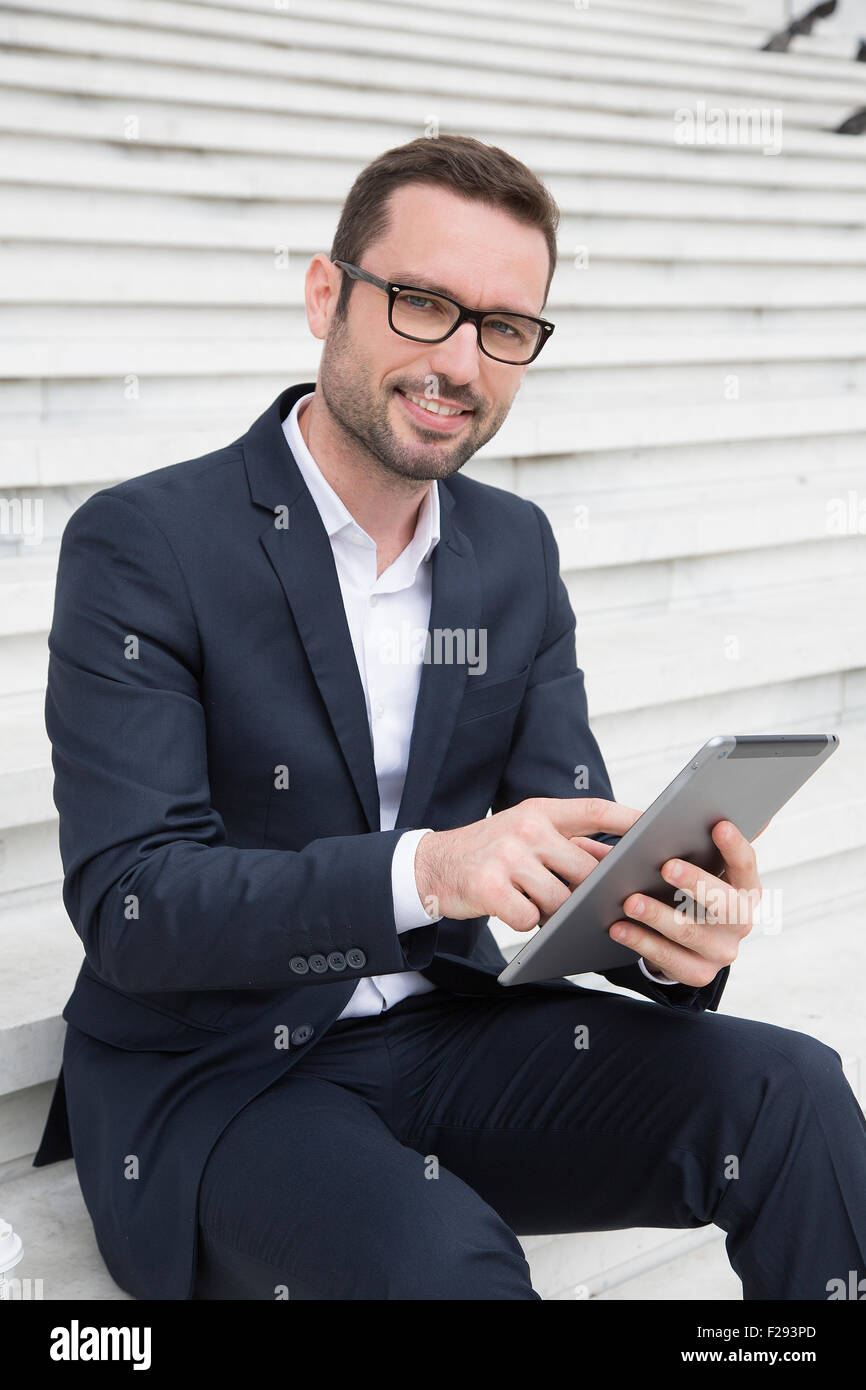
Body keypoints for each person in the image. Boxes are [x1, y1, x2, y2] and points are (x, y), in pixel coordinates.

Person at [34, 134, 866, 1301]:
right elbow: (135, 903)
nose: (460, 361)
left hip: (448, 1035)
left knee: (793, 1093)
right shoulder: (147, 545)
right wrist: (425, 872)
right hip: (221, 1078)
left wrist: (674, 935)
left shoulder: (511, 549)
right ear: (326, 294)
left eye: (504, 327)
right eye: (422, 304)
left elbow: (567, 839)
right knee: (446, 1265)